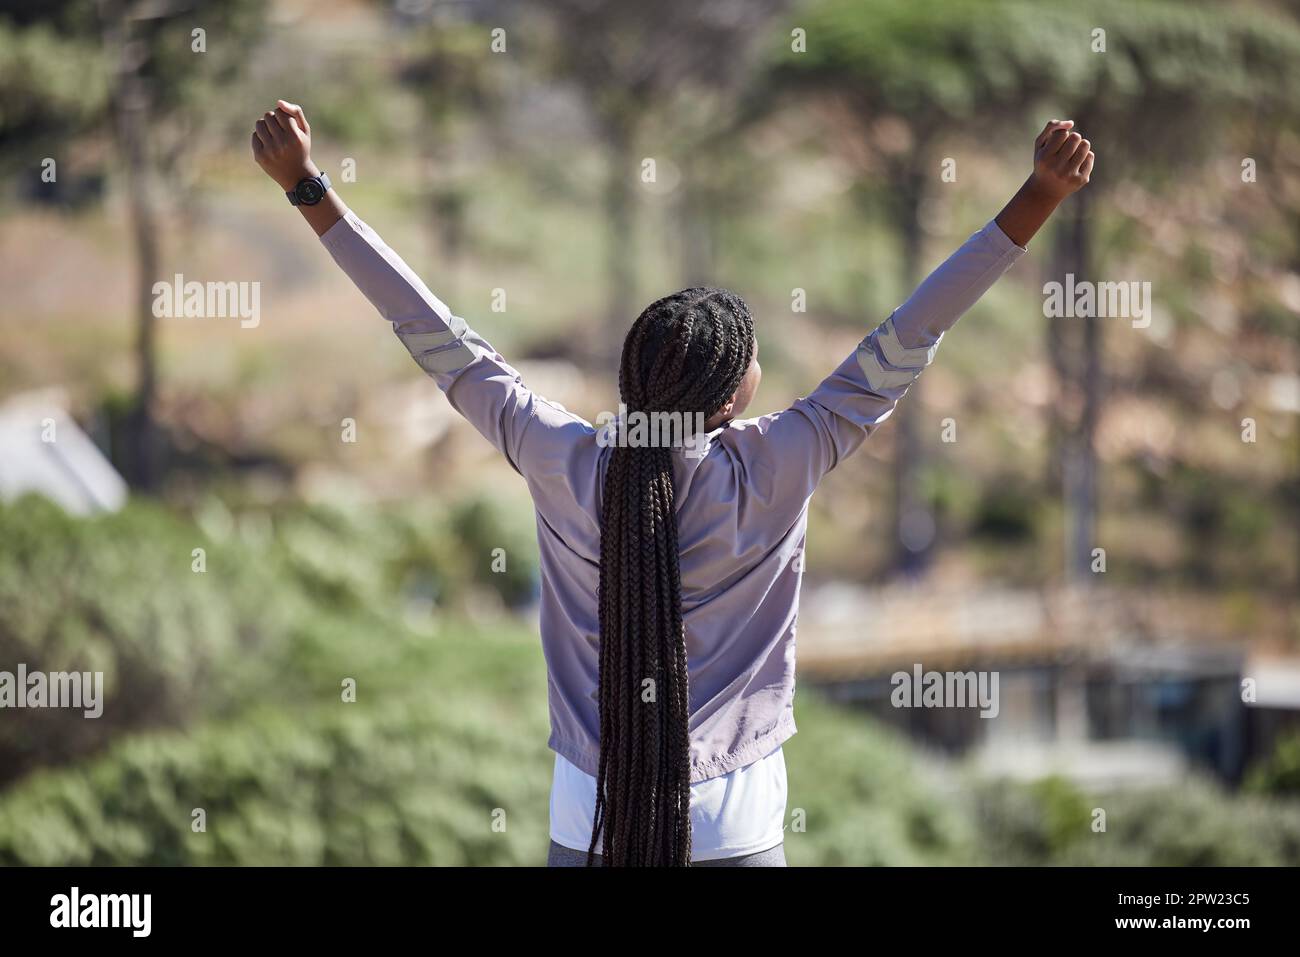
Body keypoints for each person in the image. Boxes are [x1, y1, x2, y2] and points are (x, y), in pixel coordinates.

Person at [252, 102, 1094, 866]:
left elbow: (431, 331)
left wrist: (307, 187)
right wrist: (1038, 196)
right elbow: (914, 329)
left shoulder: (561, 457)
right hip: (738, 828)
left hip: (592, 819)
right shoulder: (783, 459)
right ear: (734, 394)